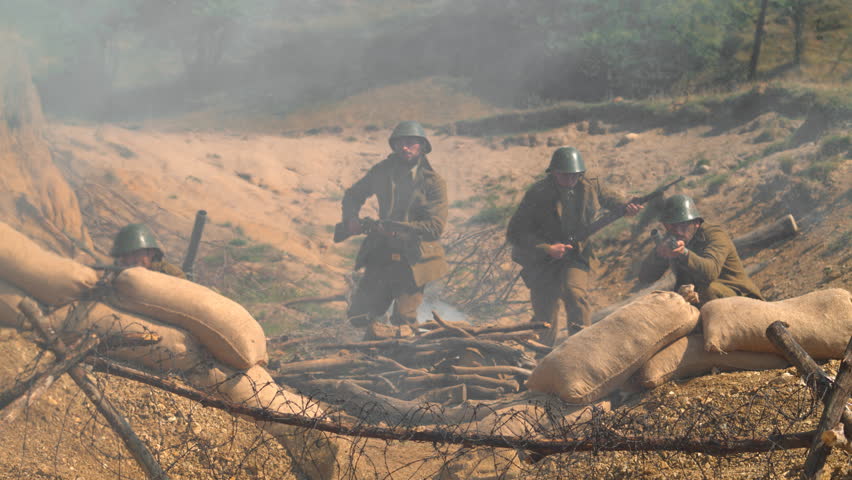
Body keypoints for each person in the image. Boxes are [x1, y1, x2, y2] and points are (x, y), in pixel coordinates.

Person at [507, 147, 642, 345]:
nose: (571, 180)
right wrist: (547, 249)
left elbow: (614, 202)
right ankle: (541, 359)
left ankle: (581, 350)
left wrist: (627, 207)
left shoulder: (590, 186)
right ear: (553, 172)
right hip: (542, 261)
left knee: (575, 295)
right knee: (545, 312)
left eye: (575, 175)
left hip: (576, 254)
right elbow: (515, 232)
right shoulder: (538, 193)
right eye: (565, 175)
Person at [340, 121, 448, 330]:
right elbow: (353, 195)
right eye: (399, 143)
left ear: (423, 147)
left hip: (413, 260)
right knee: (358, 315)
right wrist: (351, 219)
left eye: (410, 143)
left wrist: (396, 228)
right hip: (381, 254)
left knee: (403, 321)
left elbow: (435, 227)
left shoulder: (433, 182)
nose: (404, 147)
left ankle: (405, 358)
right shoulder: (382, 171)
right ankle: (371, 351)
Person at [638, 194, 763, 305]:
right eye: (671, 225)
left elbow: (710, 272)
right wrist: (659, 254)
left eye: (682, 224)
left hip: (738, 296)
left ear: (696, 222)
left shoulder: (714, 234)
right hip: (700, 297)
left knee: (705, 290)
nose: (677, 231)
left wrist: (684, 253)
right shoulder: (672, 238)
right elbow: (646, 277)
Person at [110, 223, 186, 278]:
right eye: (126, 255)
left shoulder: (170, 273)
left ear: (151, 252)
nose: (131, 260)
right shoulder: (115, 276)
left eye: (136, 253)